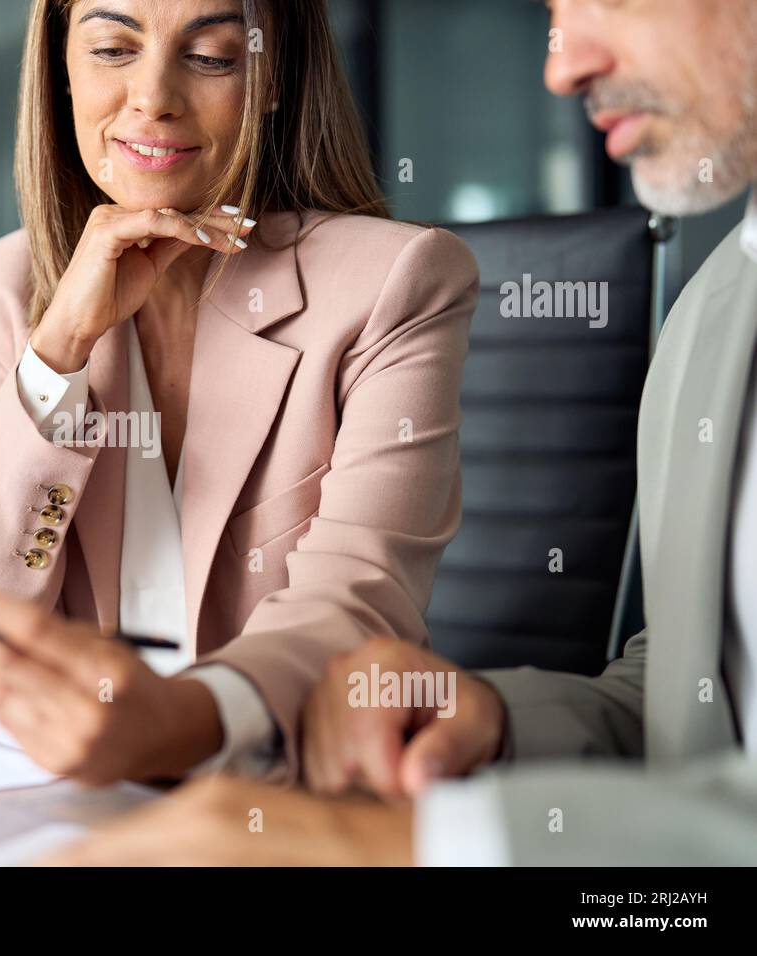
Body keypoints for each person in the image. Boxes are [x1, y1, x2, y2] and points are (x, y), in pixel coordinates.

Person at [38, 0, 757, 865]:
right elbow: (696, 715)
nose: (561, 68)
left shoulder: (396, 280)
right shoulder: (720, 307)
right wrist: (494, 724)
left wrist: (399, 842)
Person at [0, 0, 478, 783]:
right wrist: (58, 351)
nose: (153, 96)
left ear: (270, 80)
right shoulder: (2, 287)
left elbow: (355, 609)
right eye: (113, 49)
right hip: (58, 793)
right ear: (61, 70)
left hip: (283, 794)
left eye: (214, 56)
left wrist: (181, 727)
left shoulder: (397, 282)